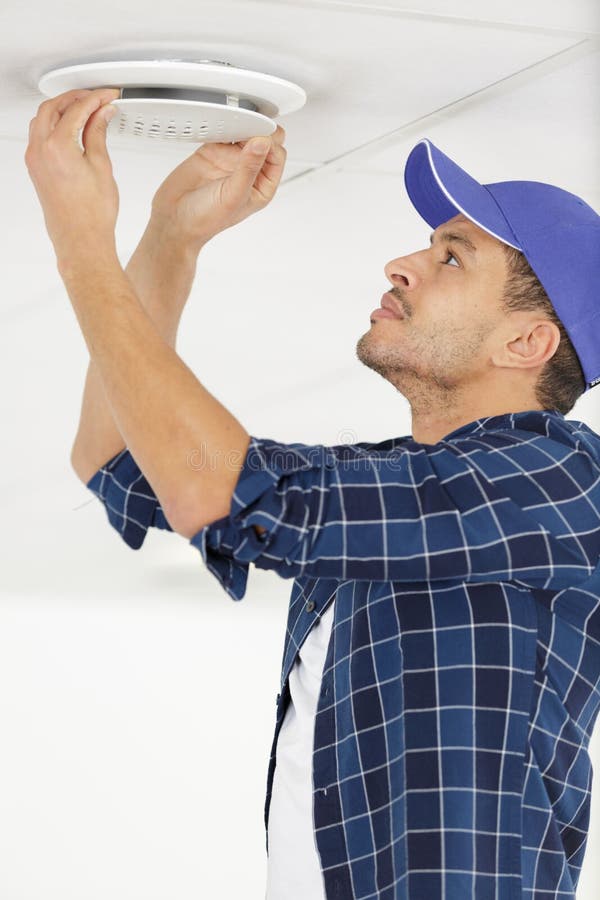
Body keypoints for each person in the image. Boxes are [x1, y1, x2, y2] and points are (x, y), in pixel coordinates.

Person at [75, 134, 600, 899]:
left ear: (527, 341)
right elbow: (114, 455)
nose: (403, 263)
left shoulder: (559, 480)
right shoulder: (393, 492)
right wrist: (170, 238)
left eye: (452, 256)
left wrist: (80, 239)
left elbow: (219, 492)